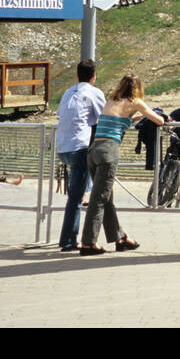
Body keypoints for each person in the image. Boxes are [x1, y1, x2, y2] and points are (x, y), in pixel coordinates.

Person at [80, 73, 163, 255]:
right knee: (98, 200)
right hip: (109, 151)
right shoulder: (136, 102)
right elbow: (159, 120)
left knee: (106, 198)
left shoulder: (112, 99)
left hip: (93, 151)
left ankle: (121, 238)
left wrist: (138, 118)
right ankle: (88, 243)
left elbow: (119, 120)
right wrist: (155, 116)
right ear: (137, 88)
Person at [55, 59, 106, 252]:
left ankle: (77, 235)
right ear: (94, 76)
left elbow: (61, 116)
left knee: (80, 191)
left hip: (63, 148)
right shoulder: (94, 93)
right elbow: (105, 116)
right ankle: (68, 240)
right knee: (75, 199)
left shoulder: (68, 92)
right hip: (79, 148)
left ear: (77, 75)